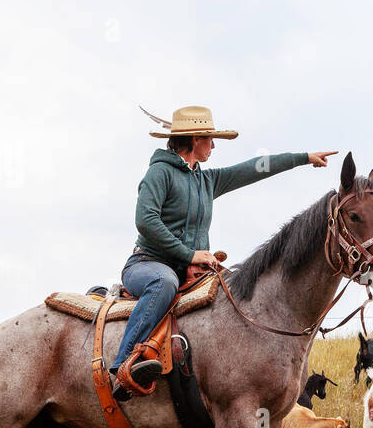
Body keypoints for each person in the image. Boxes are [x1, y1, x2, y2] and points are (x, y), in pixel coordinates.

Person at [111, 105, 336, 399]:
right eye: (210, 139)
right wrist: (189, 254)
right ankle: (122, 366)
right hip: (148, 264)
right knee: (163, 283)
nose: (214, 146)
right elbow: (146, 220)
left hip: (191, 269)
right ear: (194, 139)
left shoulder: (206, 180)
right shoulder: (159, 173)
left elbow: (254, 168)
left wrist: (303, 158)